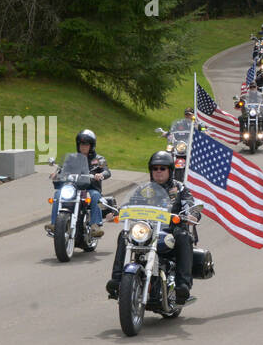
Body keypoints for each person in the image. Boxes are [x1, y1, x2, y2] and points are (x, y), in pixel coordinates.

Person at [106, 152, 196, 304]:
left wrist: (192, 214)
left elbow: (190, 204)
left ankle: (182, 285)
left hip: (170, 230)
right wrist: (116, 212)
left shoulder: (179, 188)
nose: (158, 171)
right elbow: (129, 204)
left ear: (170, 170)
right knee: (124, 235)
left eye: (162, 168)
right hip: (147, 230)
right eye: (155, 168)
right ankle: (116, 280)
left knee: (184, 236)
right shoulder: (144, 189)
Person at [47, 128, 110, 239]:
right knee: (58, 194)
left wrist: (101, 175)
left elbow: (106, 171)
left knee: (95, 196)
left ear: (91, 145)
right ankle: (54, 224)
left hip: (90, 187)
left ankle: (95, 225)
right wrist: (57, 173)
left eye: (86, 144)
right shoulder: (72, 158)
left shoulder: (98, 159)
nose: (83, 146)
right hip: (74, 187)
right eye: (81, 144)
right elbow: (62, 169)